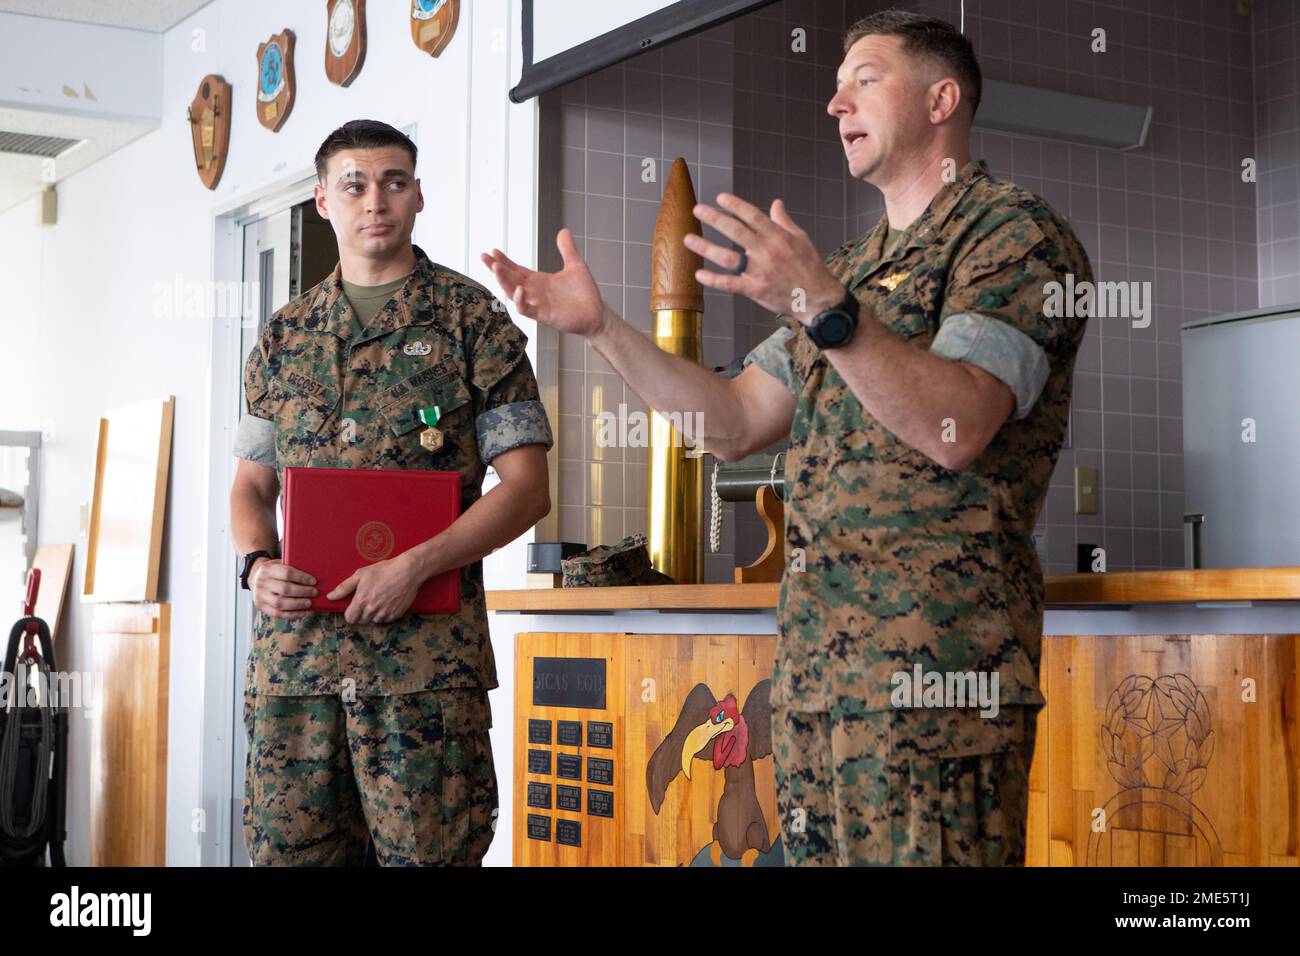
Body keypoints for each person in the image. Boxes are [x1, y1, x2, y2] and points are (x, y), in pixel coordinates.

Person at [481, 10, 1092, 865]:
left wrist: (822, 306)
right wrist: (600, 330)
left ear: (943, 98)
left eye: (866, 78)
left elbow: (958, 427)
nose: (836, 101)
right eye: (836, 83)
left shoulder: (1011, 234)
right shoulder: (852, 266)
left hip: (935, 693)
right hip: (815, 692)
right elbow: (730, 424)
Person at [230, 119, 553, 866]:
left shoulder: (474, 322)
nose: (375, 200)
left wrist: (415, 565)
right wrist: (254, 564)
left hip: (424, 676)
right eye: (355, 184)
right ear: (322, 201)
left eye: (393, 182)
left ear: (416, 196)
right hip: (296, 673)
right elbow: (251, 485)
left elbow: (528, 488)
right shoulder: (283, 338)